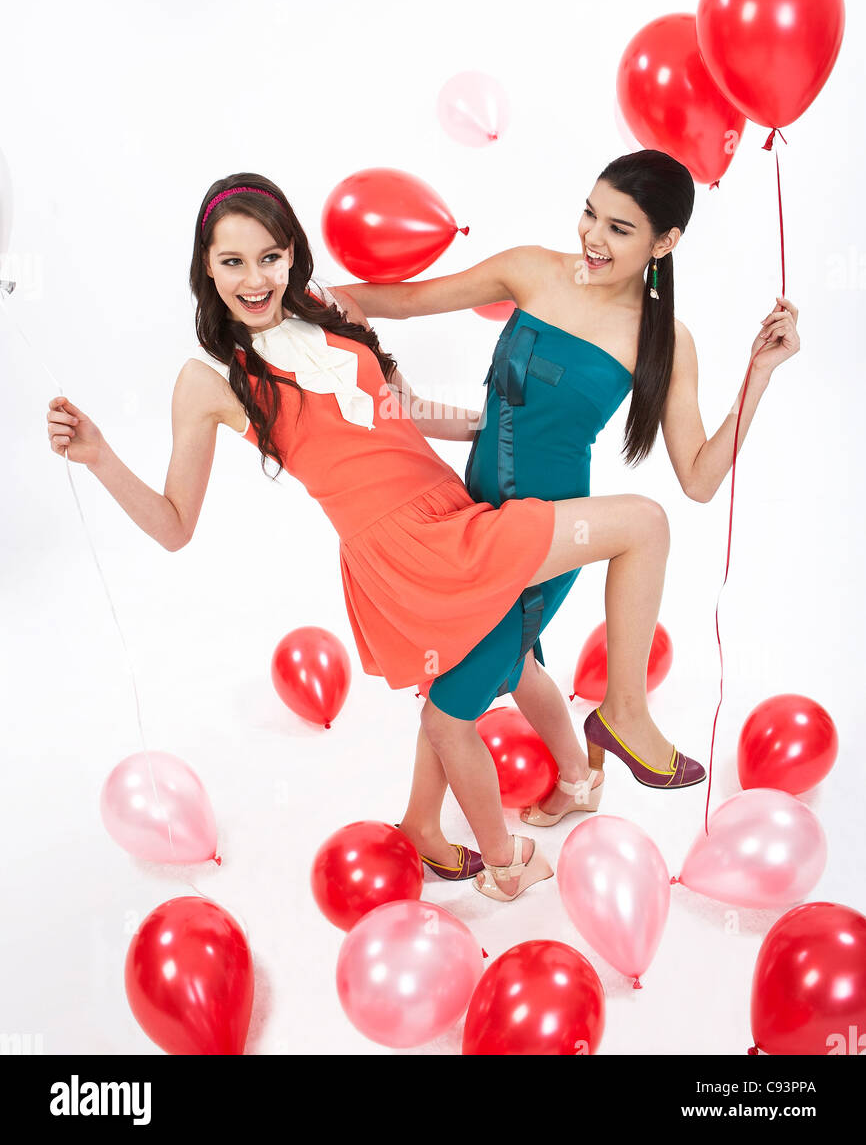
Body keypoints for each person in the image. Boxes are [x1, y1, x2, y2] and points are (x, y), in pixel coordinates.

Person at [45, 171, 702, 903]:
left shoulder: (332, 318)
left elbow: (404, 409)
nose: (254, 278)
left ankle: (450, 818)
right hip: (404, 546)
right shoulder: (207, 382)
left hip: (453, 511)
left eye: (269, 256)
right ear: (206, 266)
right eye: (231, 262)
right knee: (630, 536)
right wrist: (100, 455)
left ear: (293, 254)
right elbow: (173, 527)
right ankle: (518, 849)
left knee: (507, 661)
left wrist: (503, 427)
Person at [335, 149, 800, 867]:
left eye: (619, 227)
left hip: (551, 535)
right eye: (589, 212)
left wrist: (759, 375)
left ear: (664, 242)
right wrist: (296, 300)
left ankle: (457, 816)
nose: (593, 236)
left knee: (453, 696)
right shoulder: (531, 268)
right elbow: (404, 299)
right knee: (506, 662)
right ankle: (575, 783)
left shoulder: (664, 340)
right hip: (473, 512)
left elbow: (700, 478)